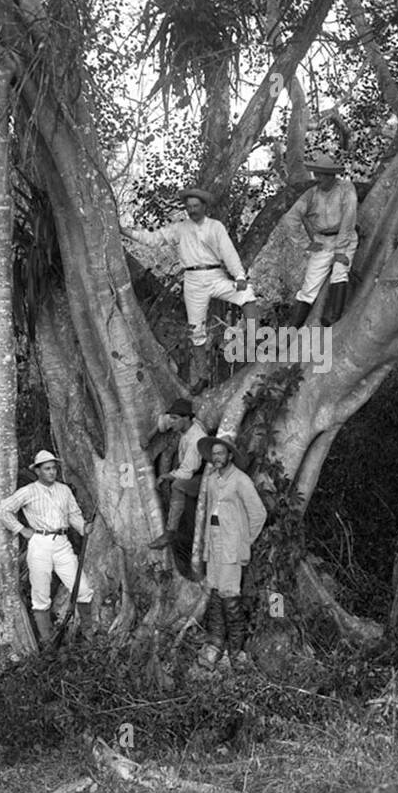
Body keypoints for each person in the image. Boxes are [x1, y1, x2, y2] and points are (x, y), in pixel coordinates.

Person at [120, 188, 259, 393]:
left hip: (215, 275)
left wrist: (238, 276)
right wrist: (125, 231)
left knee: (248, 295)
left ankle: (253, 344)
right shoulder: (180, 228)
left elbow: (228, 252)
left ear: (204, 207)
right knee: (196, 330)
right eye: (189, 207)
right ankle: (202, 377)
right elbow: (153, 239)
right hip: (193, 280)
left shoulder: (215, 227)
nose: (192, 210)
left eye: (196, 206)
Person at [0, 450, 94, 646]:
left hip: (62, 543)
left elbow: (73, 514)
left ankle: (89, 635)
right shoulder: (28, 491)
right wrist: (21, 529)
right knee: (40, 595)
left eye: (54, 468)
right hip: (39, 544)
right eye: (47, 469)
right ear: (38, 471)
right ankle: (48, 641)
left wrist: (83, 527)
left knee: (82, 589)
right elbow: (3, 509)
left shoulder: (64, 490)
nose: (52, 472)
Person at [191, 433, 267, 672]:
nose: (216, 457)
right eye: (213, 454)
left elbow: (259, 514)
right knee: (215, 593)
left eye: (221, 453)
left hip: (232, 547)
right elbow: (208, 517)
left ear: (230, 455)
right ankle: (215, 644)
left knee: (230, 597)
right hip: (214, 544)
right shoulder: (212, 480)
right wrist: (204, 550)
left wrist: (243, 540)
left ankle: (236, 651)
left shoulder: (241, 480)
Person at [279, 152, 358, 328]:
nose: (318, 178)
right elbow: (290, 218)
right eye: (317, 174)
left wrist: (340, 250)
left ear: (332, 175)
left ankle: (333, 318)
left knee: (339, 272)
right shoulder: (311, 195)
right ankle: (293, 329)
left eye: (322, 175)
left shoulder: (346, 189)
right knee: (309, 287)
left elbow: (349, 218)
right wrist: (305, 243)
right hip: (322, 241)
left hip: (344, 238)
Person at [148, 397, 209, 553]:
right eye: (172, 419)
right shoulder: (184, 426)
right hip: (187, 469)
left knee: (178, 485)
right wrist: (148, 436)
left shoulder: (196, 439)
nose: (172, 423)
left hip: (200, 476)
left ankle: (170, 532)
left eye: (175, 419)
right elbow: (164, 422)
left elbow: (187, 473)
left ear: (187, 418)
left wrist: (166, 476)